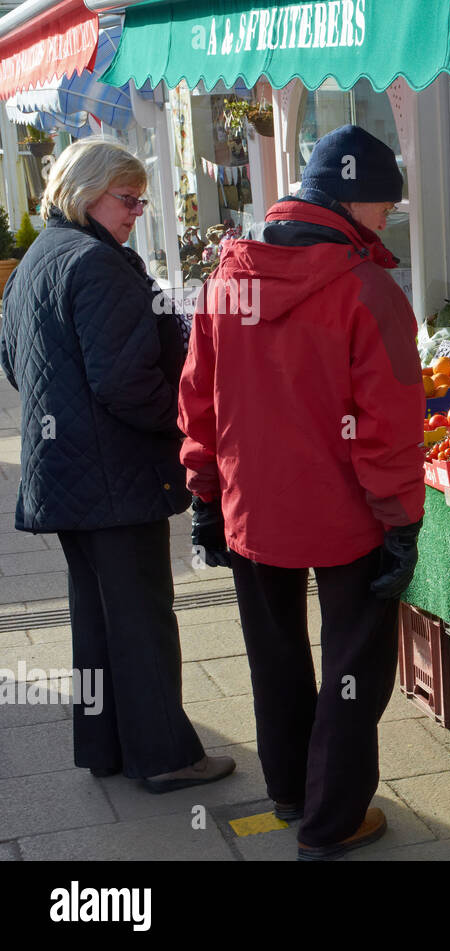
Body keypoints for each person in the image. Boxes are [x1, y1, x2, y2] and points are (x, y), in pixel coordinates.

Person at [178, 125, 425, 861]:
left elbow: (198, 401)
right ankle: (332, 820)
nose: (388, 218)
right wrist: (402, 522)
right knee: (356, 665)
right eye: (384, 203)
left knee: (274, 652)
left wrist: (204, 493)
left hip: (252, 505)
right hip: (347, 511)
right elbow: (390, 426)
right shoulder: (367, 289)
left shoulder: (227, 279)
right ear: (351, 199)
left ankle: (288, 791)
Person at [0, 138, 235, 793]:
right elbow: (125, 380)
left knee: (97, 617)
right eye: (126, 199)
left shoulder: (36, 258)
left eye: (139, 199)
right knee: (140, 617)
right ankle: (164, 756)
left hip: (65, 472)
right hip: (114, 476)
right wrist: (184, 417)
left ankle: (104, 746)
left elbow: (14, 363)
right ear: (85, 193)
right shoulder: (98, 265)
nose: (136, 210)